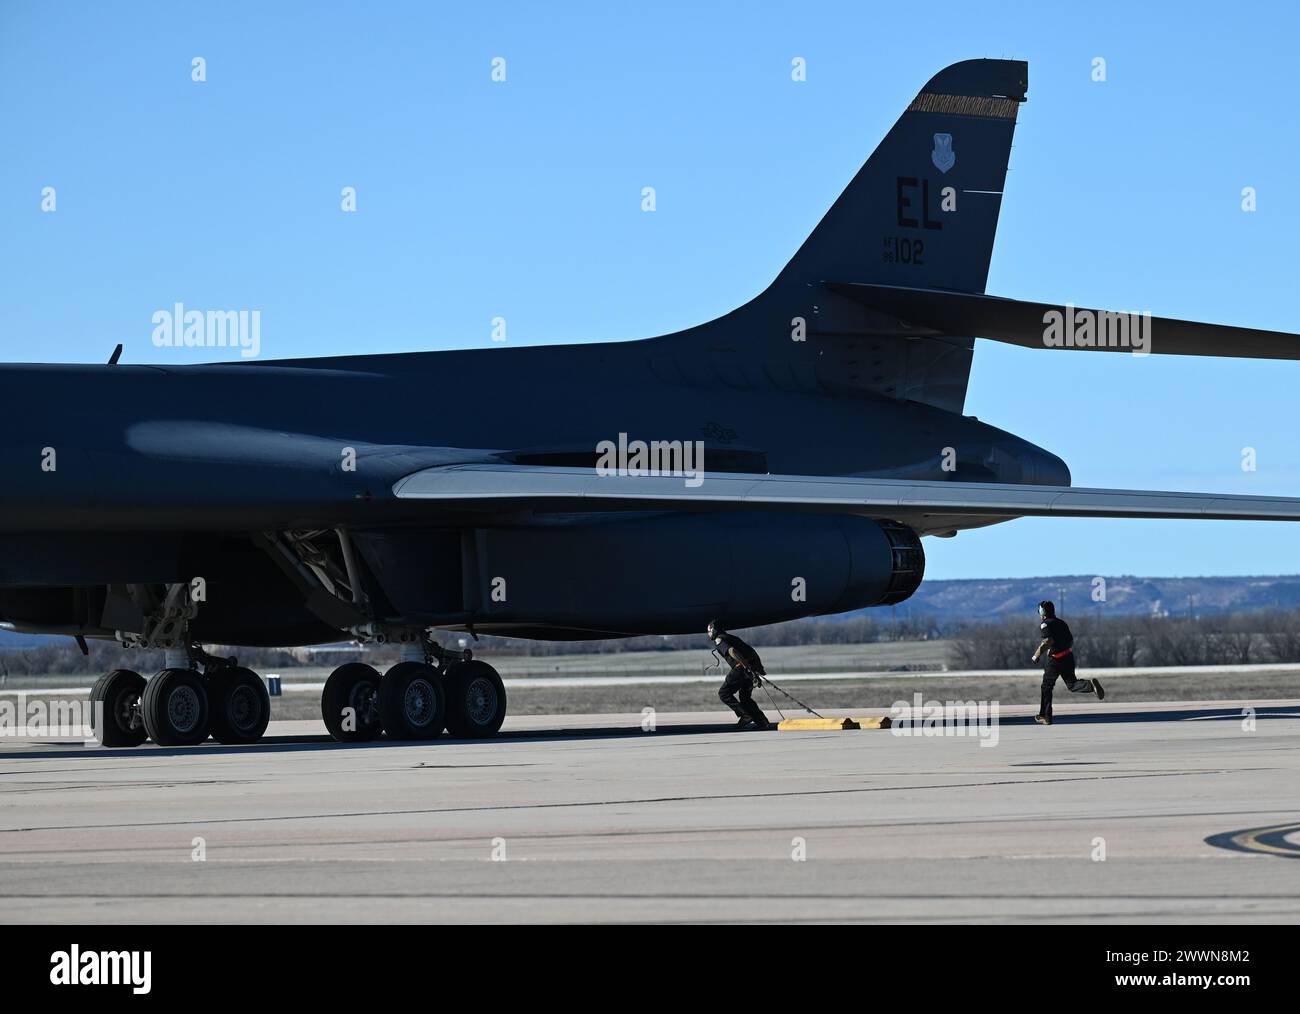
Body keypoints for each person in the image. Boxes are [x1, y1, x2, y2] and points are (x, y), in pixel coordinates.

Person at [1032, 600, 1104, 725]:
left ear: (1043, 612)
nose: (1039, 614)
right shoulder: (1062, 623)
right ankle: (1090, 686)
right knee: (1072, 684)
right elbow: (1070, 640)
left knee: (1046, 687)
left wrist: (1037, 655)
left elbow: (1047, 640)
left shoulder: (1045, 625)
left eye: (1039, 611)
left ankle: (1045, 716)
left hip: (1055, 660)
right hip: (1068, 657)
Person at [706, 619, 771, 729]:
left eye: (709, 631)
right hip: (750, 669)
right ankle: (762, 722)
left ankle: (745, 715)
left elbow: (732, 651)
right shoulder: (732, 638)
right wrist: (757, 669)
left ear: (715, 630)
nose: (708, 634)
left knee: (724, 693)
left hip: (741, 669)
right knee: (745, 698)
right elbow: (751, 651)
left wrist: (746, 667)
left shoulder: (719, 639)